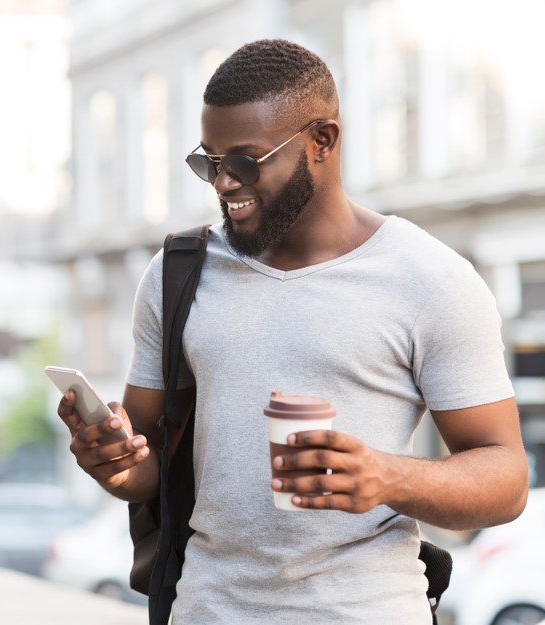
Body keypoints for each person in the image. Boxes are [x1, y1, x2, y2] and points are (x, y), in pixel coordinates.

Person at [56, 38, 529, 624]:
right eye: (210, 161)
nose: (224, 183)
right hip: (208, 611)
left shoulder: (429, 279)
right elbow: (147, 467)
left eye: (245, 161)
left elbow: (505, 480)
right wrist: (114, 462)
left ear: (322, 141)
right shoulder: (177, 273)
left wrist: (385, 477)